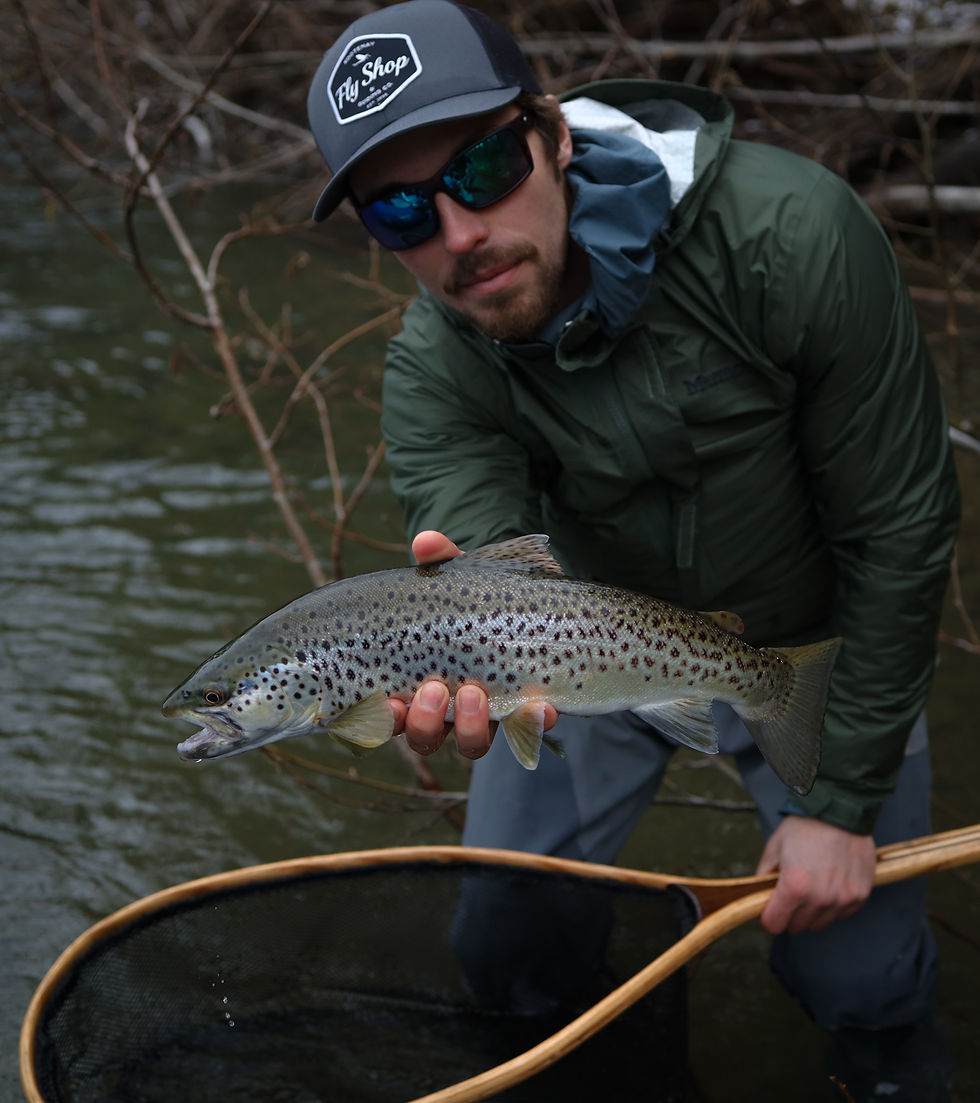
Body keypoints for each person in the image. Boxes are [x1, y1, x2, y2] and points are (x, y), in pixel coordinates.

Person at [306, 2, 960, 1097]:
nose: (458, 235)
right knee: (502, 945)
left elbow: (900, 526)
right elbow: (474, 557)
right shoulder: (433, 363)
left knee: (859, 974)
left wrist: (838, 806)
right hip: (572, 653)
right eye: (401, 211)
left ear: (551, 132)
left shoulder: (789, 236)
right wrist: (447, 639)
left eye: (478, 168)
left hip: (814, 641)